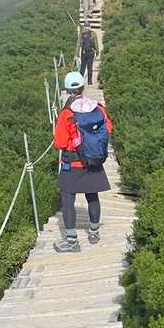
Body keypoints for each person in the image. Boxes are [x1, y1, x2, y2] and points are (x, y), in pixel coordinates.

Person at [52, 71, 112, 252]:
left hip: (73, 163)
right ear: (82, 88)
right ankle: (94, 232)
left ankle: (71, 241)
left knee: (67, 198)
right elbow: (108, 127)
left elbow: (60, 143)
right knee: (92, 195)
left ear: (67, 90)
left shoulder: (66, 114)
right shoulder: (98, 108)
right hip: (93, 161)